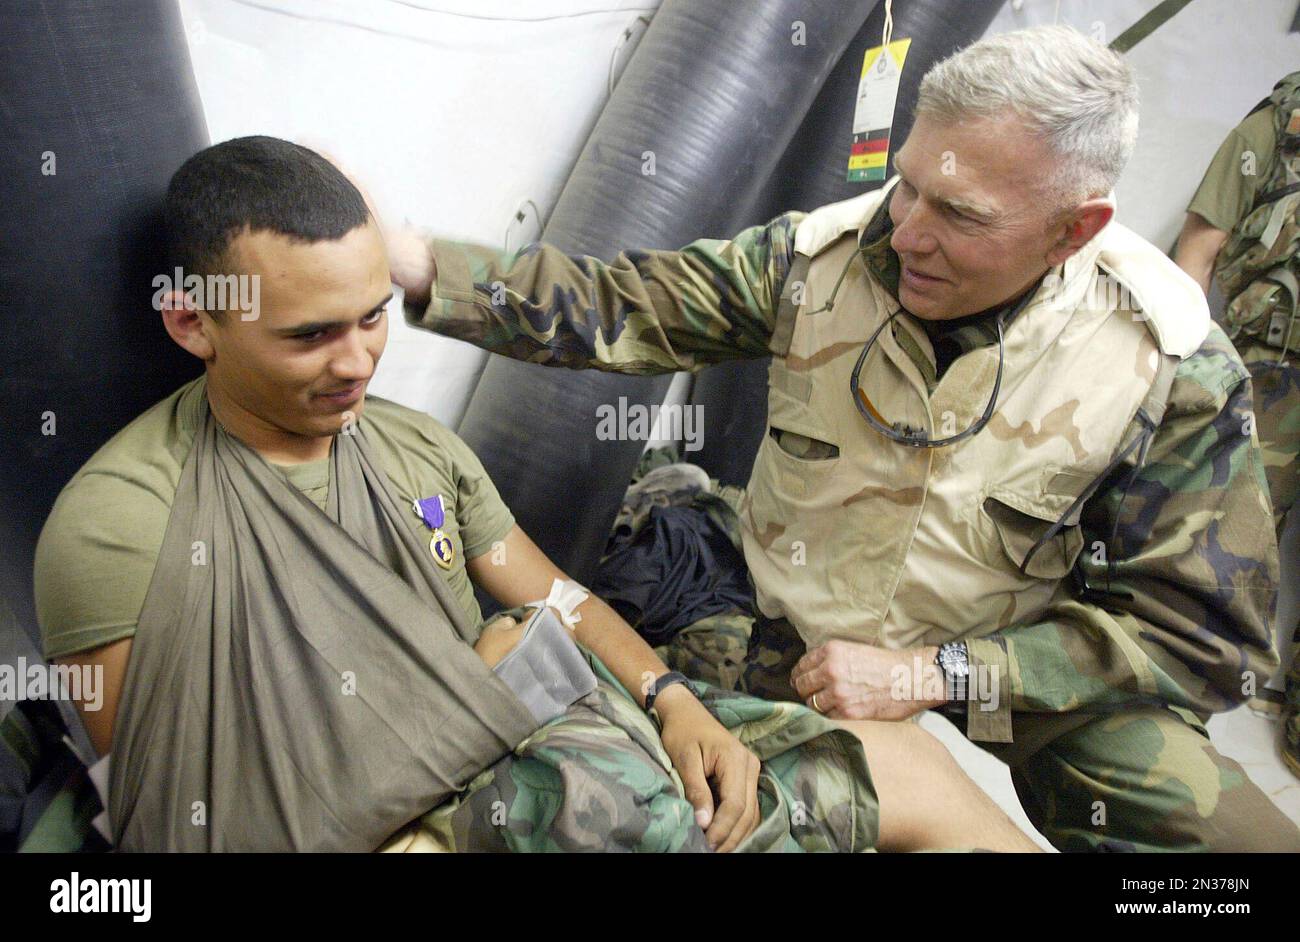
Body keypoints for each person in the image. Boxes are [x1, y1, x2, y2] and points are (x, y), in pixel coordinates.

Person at [389, 26, 1300, 851]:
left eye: (961, 215)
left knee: (1228, 849)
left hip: (1010, 662)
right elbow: (627, 302)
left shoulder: (1165, 363)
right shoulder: (817, 259)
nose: (906, 232)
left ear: (1075, 230)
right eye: (907, 183)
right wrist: (426, 267)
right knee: (681, 796)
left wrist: (939, 677)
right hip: (799, 628)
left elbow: (1195, 641)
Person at [33, 135, 1039, 853]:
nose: (357, 362)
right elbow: (206, 809)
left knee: (906, 767)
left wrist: (670, 698)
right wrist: (488, 679)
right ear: (192, 325)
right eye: (309, 335)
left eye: (374, 317)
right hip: (400, 825)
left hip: (516, 753)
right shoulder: (125, 524)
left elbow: (555, 602)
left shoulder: (411, 450)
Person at [1174, 70, 1300, 779]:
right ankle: (1176, 709)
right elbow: (1197, 254)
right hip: (1273, 375)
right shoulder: (1275, 128)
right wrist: (1190, 372)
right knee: (1229, 547)